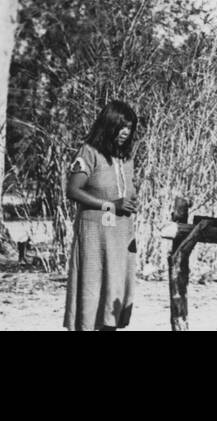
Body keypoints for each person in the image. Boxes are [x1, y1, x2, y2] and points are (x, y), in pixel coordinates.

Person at [64, 100, 140, 331]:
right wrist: (111, 204)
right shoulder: (89, 152)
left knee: (115, 288)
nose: (125, 132)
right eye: (121, 126)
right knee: (92, 286)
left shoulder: (126, 157)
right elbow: (73, 190)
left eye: (129, 127)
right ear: (109, 125)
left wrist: (128, 202)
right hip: (95, 234)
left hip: (120, 233)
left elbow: (124, 189)